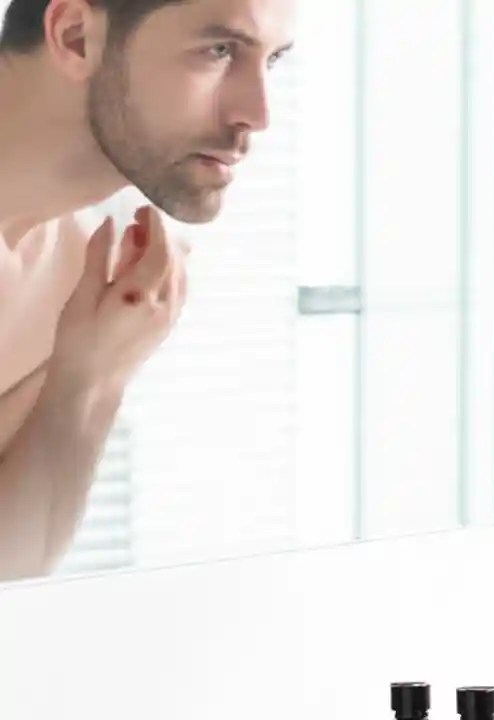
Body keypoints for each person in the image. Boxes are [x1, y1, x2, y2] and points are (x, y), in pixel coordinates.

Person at [0, 0, 295, 581]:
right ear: (78, 36)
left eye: (274, 61)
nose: (257, 114)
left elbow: (11, 579)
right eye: (220, 51)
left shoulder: (78, 277)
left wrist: (87, 382)